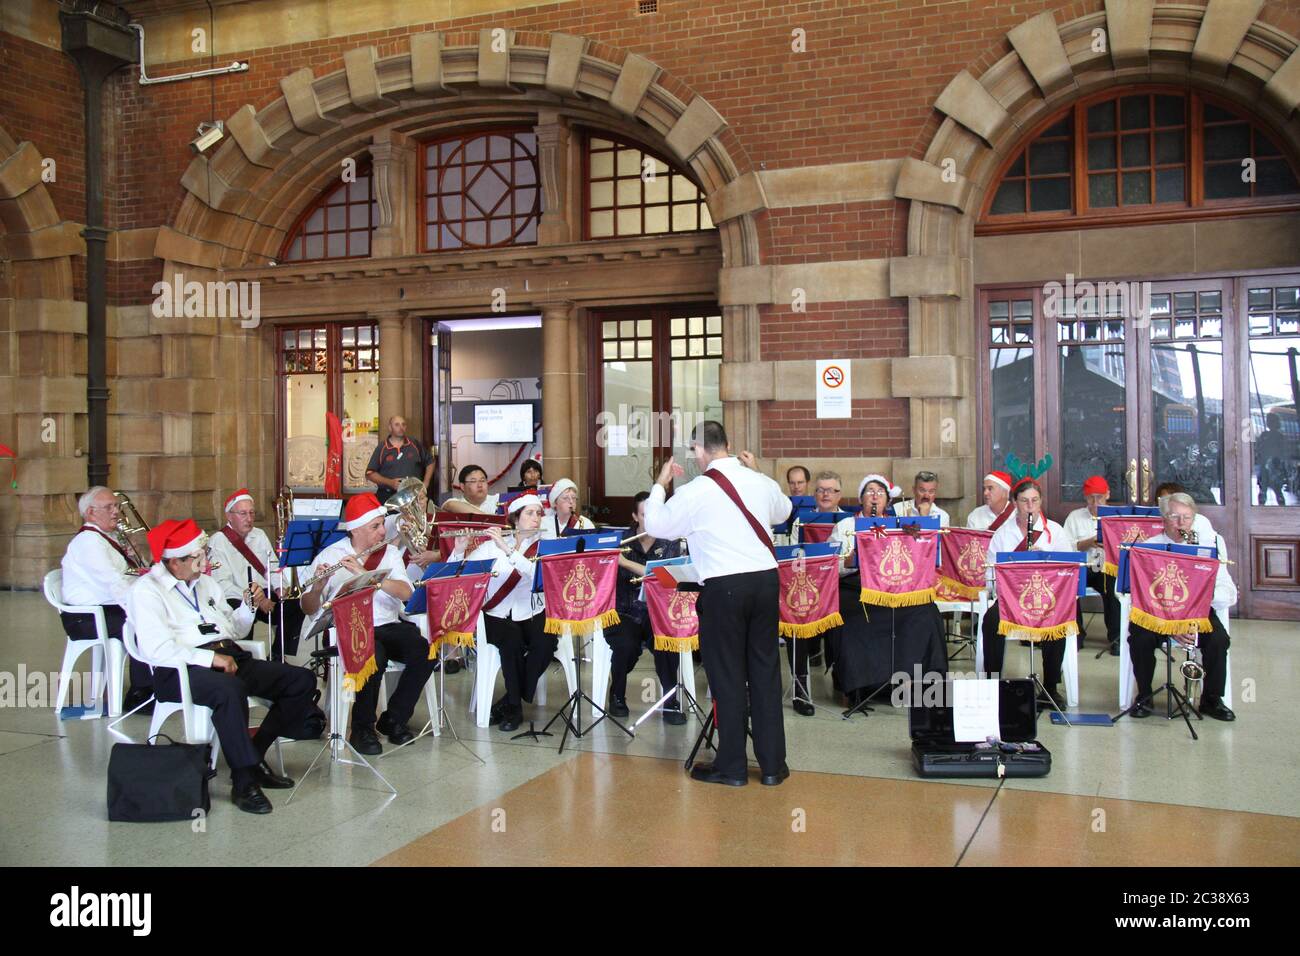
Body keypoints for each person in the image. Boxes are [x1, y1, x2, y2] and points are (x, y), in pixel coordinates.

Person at [126, 518, 316, 814]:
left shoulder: (205, 582)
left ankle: (254, 752)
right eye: (198, 557)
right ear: (175, 562)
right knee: (231, 690)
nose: (205, 561)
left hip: (228, 656)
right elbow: (156, 649)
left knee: (300, 681)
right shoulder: (147, 590)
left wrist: (248, 607)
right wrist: (209, 658)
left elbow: (234, 630)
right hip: (180, 668)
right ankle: (244, 781)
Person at [645, 421, 792, 787]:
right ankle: (774, 766)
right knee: (765, 672)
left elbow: (657, 525)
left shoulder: (696, 490)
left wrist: (661, 485)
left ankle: (732, 767)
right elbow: (784, 511)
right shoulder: (758, 481)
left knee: (727, 675)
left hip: (725, 587)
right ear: (729, 443)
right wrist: (759, 471)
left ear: (698, 450)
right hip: (765, 581)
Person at [300, 493, 434, 754]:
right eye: (375, 527)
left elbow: (407, 593)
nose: (383, 531)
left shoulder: (390, 553)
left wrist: (369, 577)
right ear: (356, 530)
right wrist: (317, 588)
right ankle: (362, 728)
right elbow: (309, 608)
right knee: (375, 655)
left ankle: (394, 718)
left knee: (424, 650)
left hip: (387, 623)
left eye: (382, 524)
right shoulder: (330, 555)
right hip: (350, 628)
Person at [830, 474, 946, 710]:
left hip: (895, 587)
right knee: (851, 618)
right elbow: (834, 566)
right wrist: (851, 558)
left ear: (888, 501)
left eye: (880, 493)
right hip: (857, 587)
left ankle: (925, 686)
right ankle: (858, 686)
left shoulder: (902, 526)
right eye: (869, 492)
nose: (874, 496)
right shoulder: (845, 526)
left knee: (926, 613)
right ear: (861, 498)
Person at [1129, 492, 1236, 721]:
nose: (1181, 523)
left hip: (1197, 613)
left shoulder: (1208, 547)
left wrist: (1197, 605)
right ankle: (1145, 696)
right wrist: (1171, 626)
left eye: (1187, 518)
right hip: (1156, 613)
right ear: (1163, 519)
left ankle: (1211, 699)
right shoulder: (1148, 548)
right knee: (1139, 638)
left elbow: (1228, 592)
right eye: (1175, 517)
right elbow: (1139, 592)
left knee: (1218, 640)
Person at [980, 478, 1074, 710]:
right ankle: (993, 684)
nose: (1030, 506)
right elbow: (989, 575)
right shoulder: (1002, 534)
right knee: (991, 621)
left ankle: (1050, 687)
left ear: (1040, 502)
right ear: (1014, 503)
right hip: (1012, 599)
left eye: (1034, 501)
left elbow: (1069, 572)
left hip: (1046, 599)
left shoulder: (1055, 531)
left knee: (1057, 621)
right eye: (1024, 501)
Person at [59, 486, 154, 711]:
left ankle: (153, 685)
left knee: (151, 618)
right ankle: (141, 694)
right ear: (91, 513)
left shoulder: (104, 538)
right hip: (85, 618)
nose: (116, 512)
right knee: (143, 624)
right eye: (109, 507)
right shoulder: (88, 542)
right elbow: (114, 583)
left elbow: (126, 576)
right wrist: (141, 604)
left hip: (106, 608)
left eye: (116, 506)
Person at [465, 493, 551, 732]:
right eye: (530, 513)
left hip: (530, 611)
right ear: (515, 518)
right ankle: (514, 707)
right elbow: (464, 573)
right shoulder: (490, 546)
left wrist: (510, 551)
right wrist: (459, 549)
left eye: (539, 513)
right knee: (511, 640)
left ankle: (507, 700)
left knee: (546, 643)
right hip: (496, 615)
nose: (536, 518)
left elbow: (538, 577)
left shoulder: (543, 545)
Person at [608, 491, 687, 723]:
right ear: (635, 516)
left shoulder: (669, 542)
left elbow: (665, 575)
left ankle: (670, 701)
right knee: (626, 645)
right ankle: (617, 694)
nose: (650, 520)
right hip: (624, 611)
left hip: (658, 613)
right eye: (644, 515)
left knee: (666, 645)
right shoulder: (621, 542)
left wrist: (625, 563)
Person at [208, 488, 305, 660]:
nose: (250, 518)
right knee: (243, 612)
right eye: (243, 513)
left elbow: (273, 567)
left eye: (252, 513)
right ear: (229, 516)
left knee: (296, 605)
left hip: (264, 591)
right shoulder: (218, 541)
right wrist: (255, 600)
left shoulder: (259, 535)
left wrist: (279, 587)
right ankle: (244, 660)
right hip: (236, 595)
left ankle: (278, 655)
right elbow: (222, 584)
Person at [785, 470, 845, 716]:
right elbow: (790, 555)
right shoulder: (801, 522)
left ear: (840, 494)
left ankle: (844, 684)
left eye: (830, 490)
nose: (825, 494)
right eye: (820, 490)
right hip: (808, 586)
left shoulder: (847, 522)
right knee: (793, 620)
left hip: (839, 588)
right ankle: (800, 689)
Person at [1063, 475, 1122, 655]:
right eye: (1091, 497)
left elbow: (1126, 549)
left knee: (1113, 587)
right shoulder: (1075, 517)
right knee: (1068, 582)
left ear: (1108, 495)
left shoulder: (1117, 518)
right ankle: (1076, 635)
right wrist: (1088, 543)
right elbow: (1066, 548)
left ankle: (1116, 637)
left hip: (1106, 567)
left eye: (1100, 497)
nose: (1095, 502)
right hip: (1083, 565)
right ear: (1085, 497)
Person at [365, 415, 434, 505]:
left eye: (403, 424)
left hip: (413, 497)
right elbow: (370, 474)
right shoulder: (382, 447)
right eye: (397, 425)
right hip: (388, 497)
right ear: (390, 427)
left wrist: (425, 483)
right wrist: (390, 483)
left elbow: (430, 462)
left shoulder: (414, 444)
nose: (401, 427)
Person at [1254, 413, 1291, 506]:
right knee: (1269, 489)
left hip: (1275, 465)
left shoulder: (1277, 436)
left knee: (1272, 489)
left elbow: (1283, 452)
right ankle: (1265, 506)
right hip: (1268, 466)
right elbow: (1259, 449)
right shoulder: (1268, 435)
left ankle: (1266, 506)